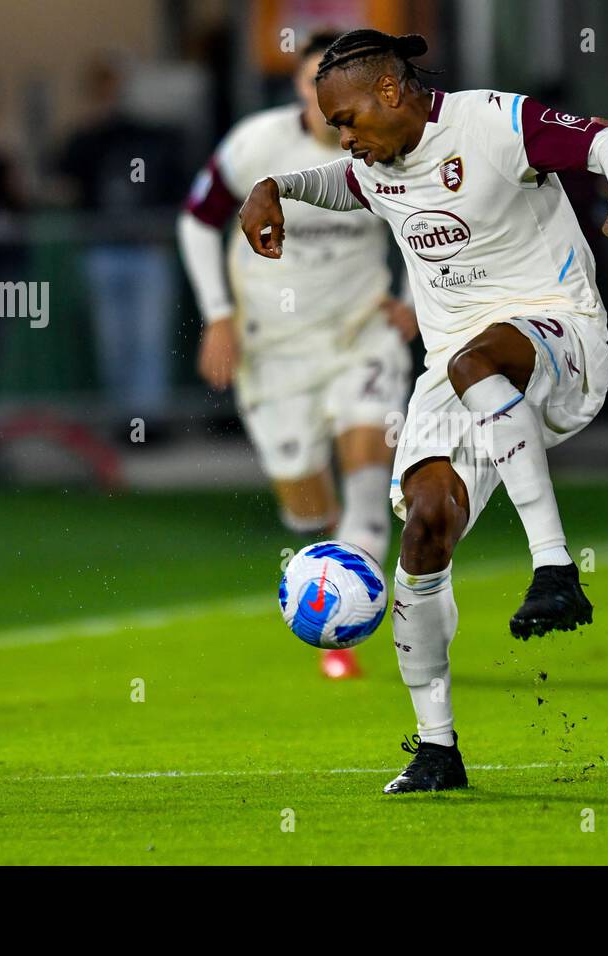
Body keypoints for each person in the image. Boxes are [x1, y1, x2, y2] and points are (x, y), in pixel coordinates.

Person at [238, 29, 608, 792]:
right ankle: (437, 751)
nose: (345, 136)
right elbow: (343, 182)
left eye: (348, 118)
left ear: (391, 91)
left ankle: (554, 566)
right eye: (337, 128)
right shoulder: (379, 162)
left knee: (476, 357)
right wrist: (275, 188)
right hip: (455, 375)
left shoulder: (493, 123)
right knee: (425, 526)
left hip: (560, 335)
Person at [177, 31, 417, 680]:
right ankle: (333, 584)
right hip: (273, 351)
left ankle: (346, 631)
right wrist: (218, 317)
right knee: (306, 502)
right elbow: (198, 222)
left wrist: (410, 298)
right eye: (317, 84)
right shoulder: (255, 145)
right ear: (298, 88)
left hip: (359, 335)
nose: (328, 99)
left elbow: (428, 219)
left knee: (368, 484)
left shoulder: (383, 145)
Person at [57, 56, 184, 425]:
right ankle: (124, 419)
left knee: (148, 339)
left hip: (146, 249)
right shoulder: (84, 138)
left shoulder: (151, 134)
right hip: (103, 250)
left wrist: (162, 229)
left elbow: (176, 184)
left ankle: (149, 420)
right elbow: (64, 184)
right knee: (113, 342)